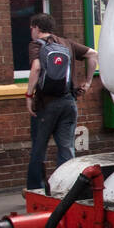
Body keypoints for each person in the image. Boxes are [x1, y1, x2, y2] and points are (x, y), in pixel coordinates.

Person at [26, 13, 98, 190]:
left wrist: (28, 96)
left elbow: (36, 68)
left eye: (31, 28)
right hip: (68, 102)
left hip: (46, 104)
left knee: (39, 147)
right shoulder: (66, 43)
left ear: (36, 27)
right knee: (66, 147)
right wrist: (88, 82)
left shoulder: (36, 45)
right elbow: (93, 54)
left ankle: (36, 188)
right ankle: (67, 187)